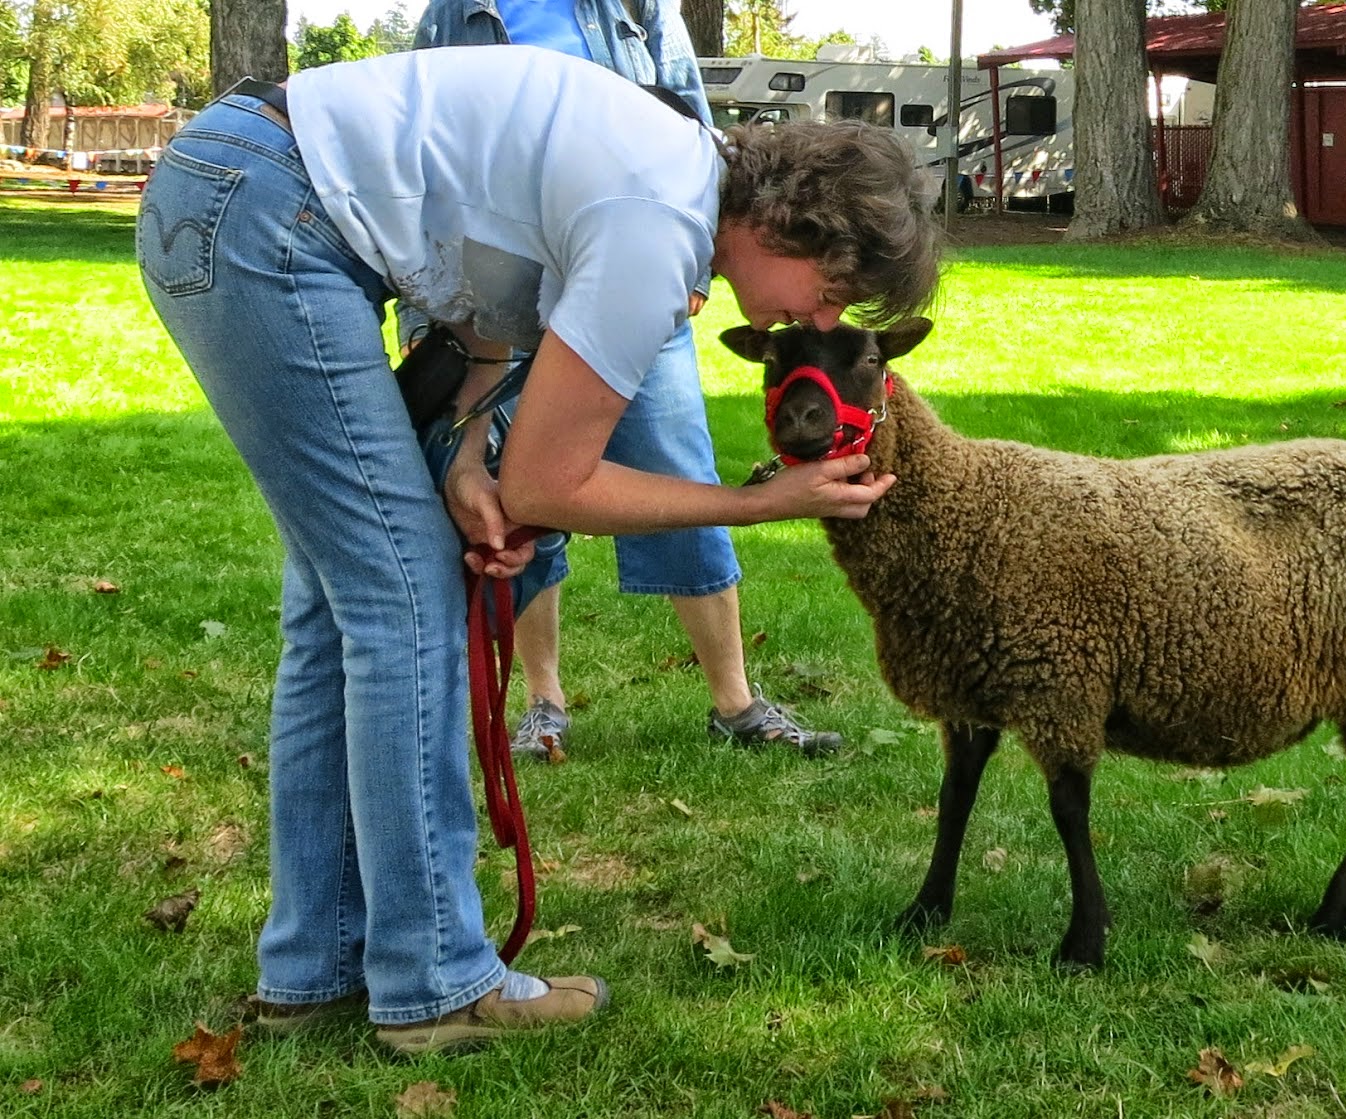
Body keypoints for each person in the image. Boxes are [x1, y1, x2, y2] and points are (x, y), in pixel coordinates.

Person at [135, 46, 940, 1053]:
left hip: (236, 182)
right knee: (403, 602)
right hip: (269, 211)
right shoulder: (658, 223)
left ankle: (312, 971)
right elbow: (552, 486)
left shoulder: (661, 173)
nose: (818, 320)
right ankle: (432, 985)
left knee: (336, 608)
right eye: (831, 289)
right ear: (787, 224)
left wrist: (468, 452)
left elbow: (484, 312)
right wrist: (763, 503)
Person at [408, 0, 841, 761]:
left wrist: (696, 267)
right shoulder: (457, 12)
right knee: (517, 488)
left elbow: (704, 136)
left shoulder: (637, 9)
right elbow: (436, 165)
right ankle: (542, 700)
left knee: (675, 466)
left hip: (640, 271)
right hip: (513, 286)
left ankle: (734, 702)